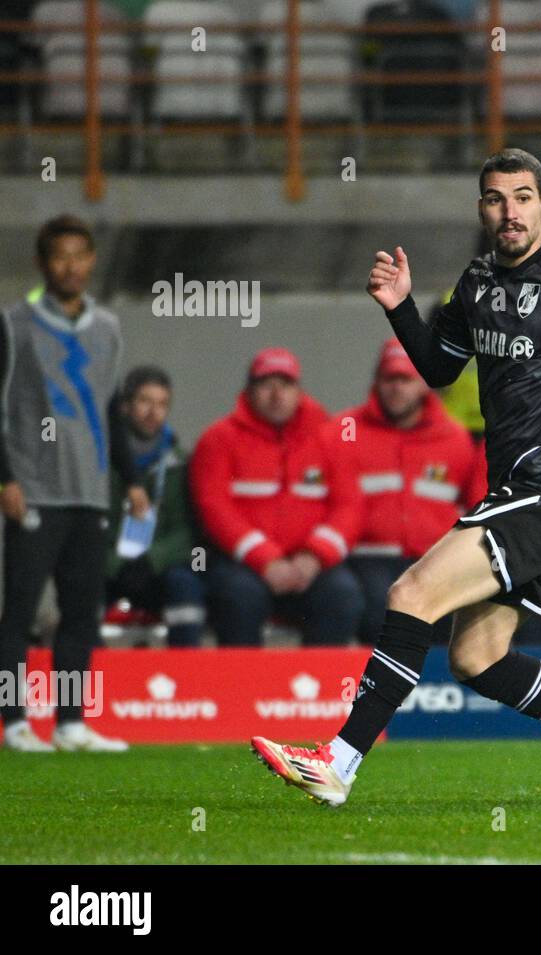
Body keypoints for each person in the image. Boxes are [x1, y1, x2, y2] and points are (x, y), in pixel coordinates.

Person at [250, 148, 541, 808]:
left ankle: (340, 762)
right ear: (482, 209)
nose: (510, 211)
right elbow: (439, 369)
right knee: (477, 658)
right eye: (496, 199)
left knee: (411, 592)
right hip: (514, 493)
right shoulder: (474, 284)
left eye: (523, 197)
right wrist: (400, 308)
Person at [0, 214, 138, 753]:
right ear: (41, 264)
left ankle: (70, 722)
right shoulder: (14, 325)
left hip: (89, 492)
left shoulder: (107, 328)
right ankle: (13, 722)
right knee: (20, 612)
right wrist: (6, 478)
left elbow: (108, 407)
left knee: (82, 613)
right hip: (34, 489)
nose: (71, 266)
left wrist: (130, 479)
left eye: (81, 255)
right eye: (60, 256)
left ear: (93, 261)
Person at [190, 348, 365, 646]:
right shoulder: (218, 439)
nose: (276, 394)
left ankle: (317, 689)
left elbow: (351, 507)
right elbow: (213, 506)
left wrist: (314, 556)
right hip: (242, 565)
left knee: (343, 596)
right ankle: (242, 689)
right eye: (265, 385)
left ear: (299, 391)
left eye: (285, 385)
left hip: (310, 564)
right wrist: (266, 559)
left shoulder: (330, 438)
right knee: (238, 598)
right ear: (249, 391)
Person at [331, 337, 488, 646]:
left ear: (423, 384)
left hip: (432, 556)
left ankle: (439, 690)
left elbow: (473, 504)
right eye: (390, 378)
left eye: (406, 379)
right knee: (382, 609)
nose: (397, 388)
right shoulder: (345, 430)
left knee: (450, 610)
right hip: (367, 558)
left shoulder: (453, 436)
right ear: (377, 381)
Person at [104, 365, 207, 647]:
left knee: (186, 587)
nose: (154, 413)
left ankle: (186, 678)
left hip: (158, 566)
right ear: (125, 407)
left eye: (162, 404)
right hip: (110, 563)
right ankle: (96, 681)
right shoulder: (100, 462)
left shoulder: (180, 463)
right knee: (82, 587)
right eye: (144, 402)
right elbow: (89, 524)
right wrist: (119, 561)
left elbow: (189, 531)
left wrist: (151, 559)